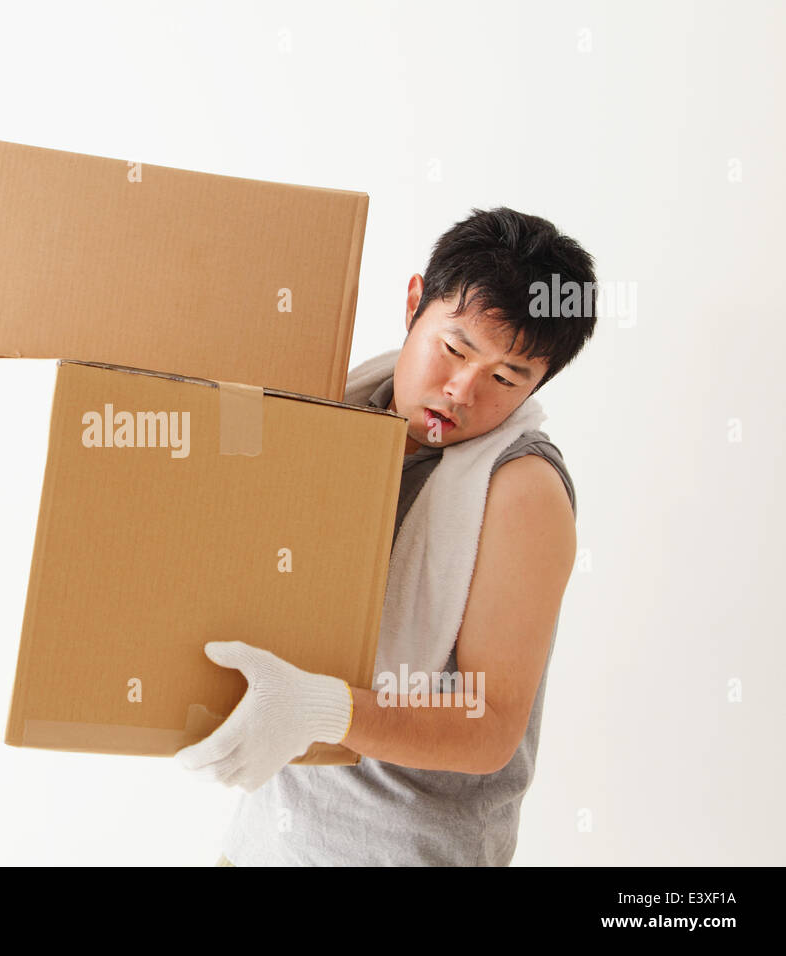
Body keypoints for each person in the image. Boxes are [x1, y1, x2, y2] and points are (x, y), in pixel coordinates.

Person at [178, 207, 596, 866]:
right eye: (454, 348)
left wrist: (322, 708)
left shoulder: (523, 491)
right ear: (412, 304)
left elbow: (488, 728)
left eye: (505, 378)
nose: (461, 390)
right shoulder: (334, 417)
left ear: (536, 385)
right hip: (263, 842)